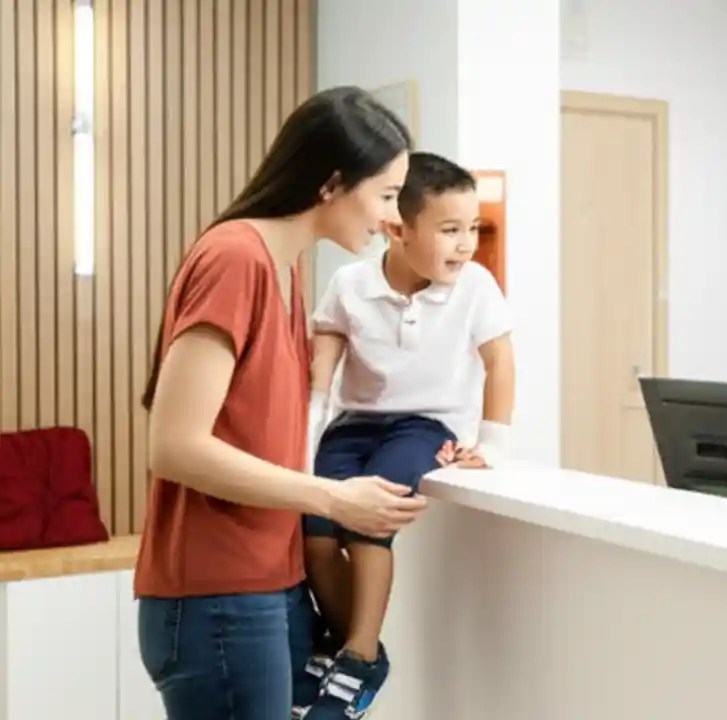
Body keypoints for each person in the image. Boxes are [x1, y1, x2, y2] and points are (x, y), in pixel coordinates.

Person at [133, 86, 429, 720]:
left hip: (262, 584)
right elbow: (175, 445)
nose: (390, 219)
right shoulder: (237, 258)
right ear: (331, 184)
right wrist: (331, 497)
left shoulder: (287, 270)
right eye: (384, 195)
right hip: (219, 598)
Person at [299, 151, 515, 719]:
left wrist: (491, 445)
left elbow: (501, 362)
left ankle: (358, 653)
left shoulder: (475, 286)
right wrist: (308, 432)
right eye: (450, 230)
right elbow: (325, 357)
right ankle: (351, 649)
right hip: (352, 426)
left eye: (472, 228)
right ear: (397, 228)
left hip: (426, 426)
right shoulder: (350, 283)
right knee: (315, 535)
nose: (466, 244)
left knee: (372, 520)